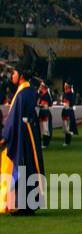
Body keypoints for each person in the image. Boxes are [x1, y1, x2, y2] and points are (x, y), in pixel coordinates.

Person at [1, 47, 44, 214]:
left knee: (20, 168)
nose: (12, 76)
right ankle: (28, 204)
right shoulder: (29, 91)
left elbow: (12, 120)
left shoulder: (21, 94)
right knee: (29, 167)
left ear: (21, 76)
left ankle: (18, 204)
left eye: (14, 73)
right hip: (28, 135)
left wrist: (4, 137)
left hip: (20, 136)